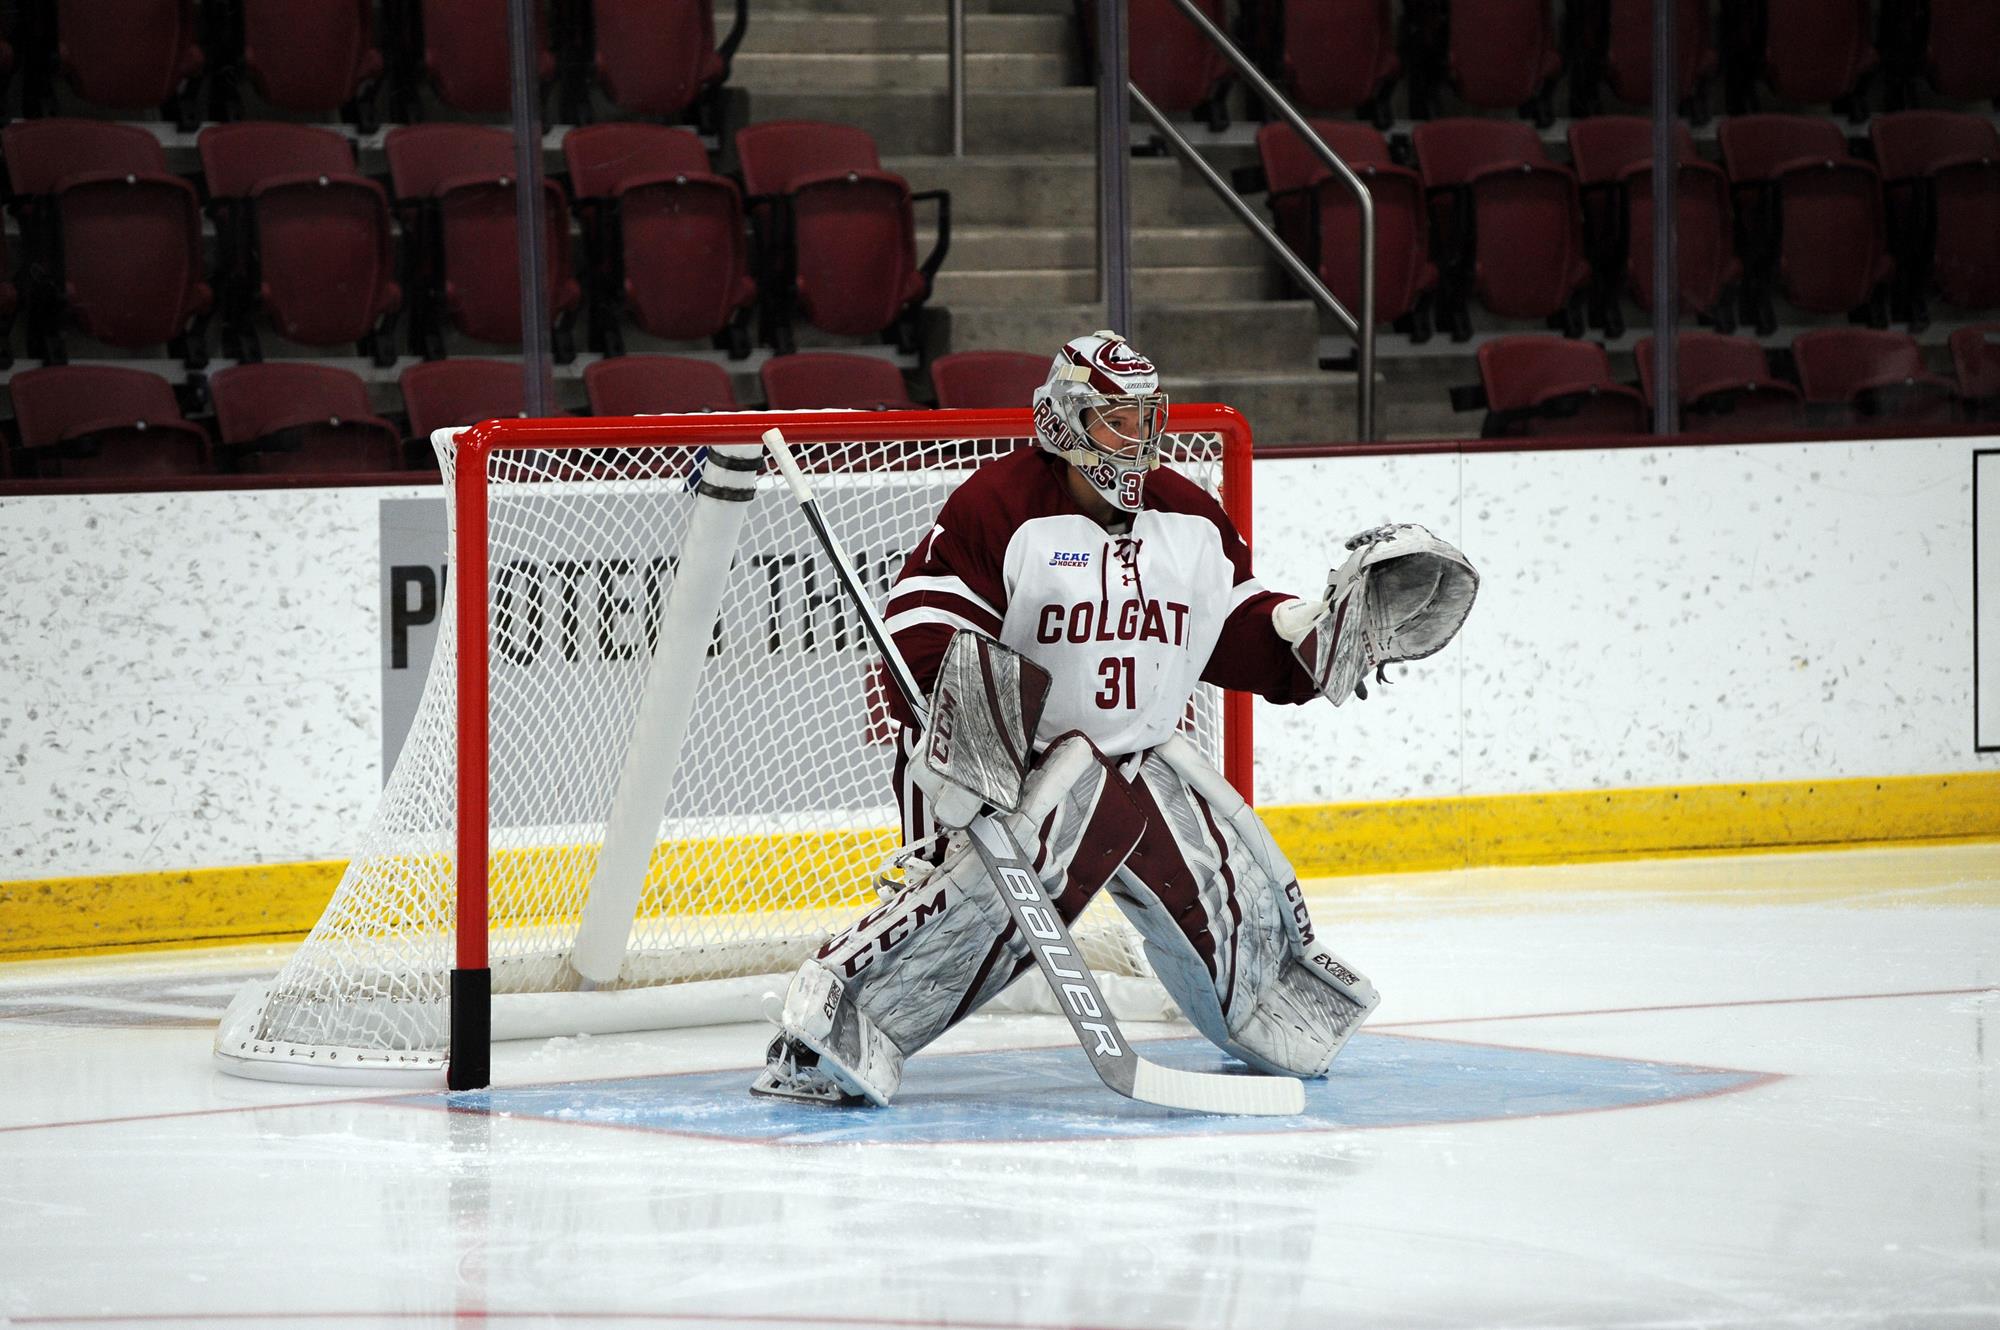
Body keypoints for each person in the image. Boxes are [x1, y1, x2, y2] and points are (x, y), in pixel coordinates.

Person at [753, 330, 1477, 1105]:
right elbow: (924, 634)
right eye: (1116, 421)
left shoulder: (1190, 518)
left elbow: (1236, 633)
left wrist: (1320, 632)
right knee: (976, 902)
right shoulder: (996, 507)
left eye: (1146, 419)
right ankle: (827, 1033)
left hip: (1136, 758)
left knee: (1233, 890)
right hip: (1004, 769)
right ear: (1064, 423)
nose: (1139, 439)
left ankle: (1270, 1003)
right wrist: (972, 751)